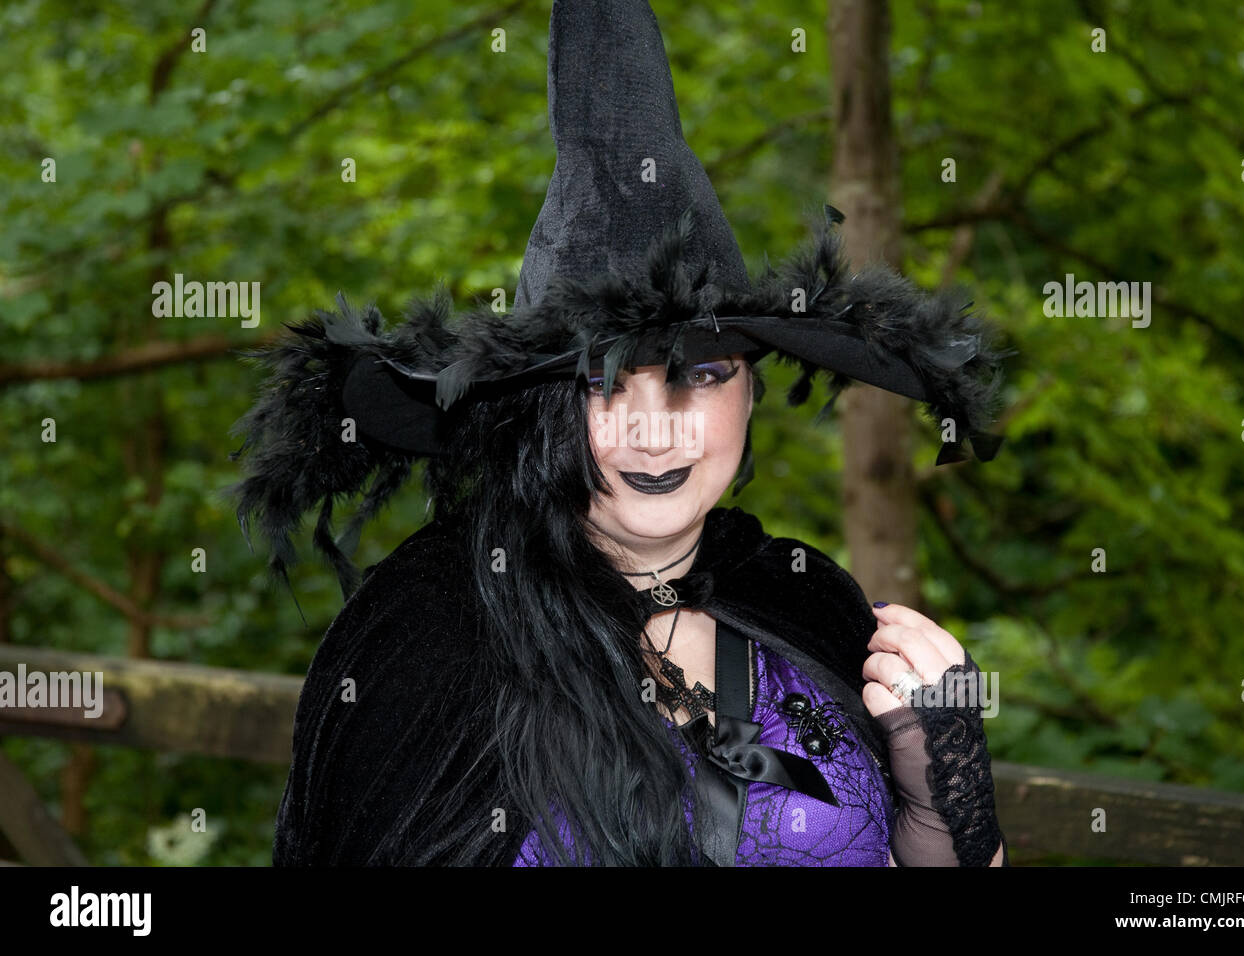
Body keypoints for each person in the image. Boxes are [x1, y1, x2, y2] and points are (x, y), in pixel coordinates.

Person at [226, 0, 1013, 867]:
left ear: (750, 392)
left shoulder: (806, 605)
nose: (653, 428)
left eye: (700, 375)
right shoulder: (431, 632)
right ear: (540, 405)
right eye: (606, 381)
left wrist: (941, 797)